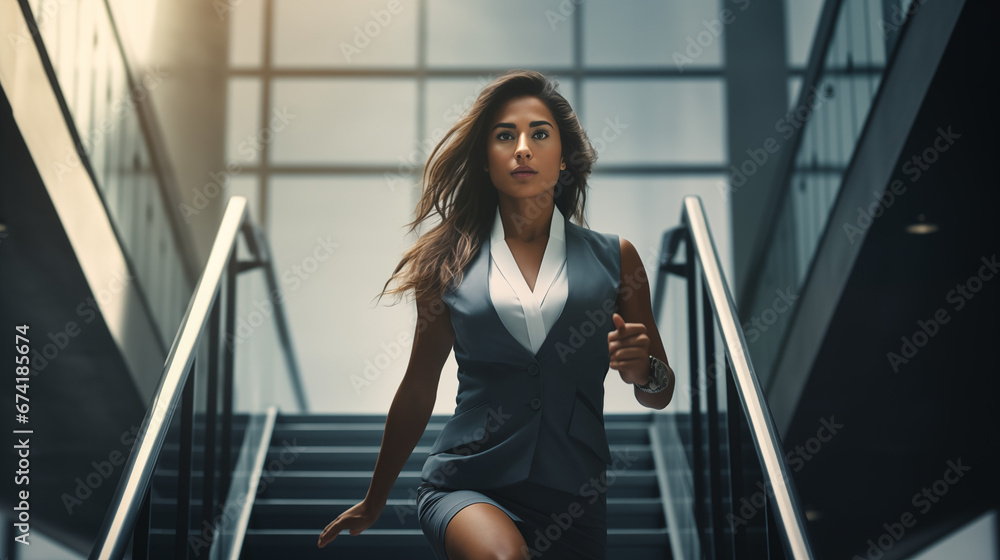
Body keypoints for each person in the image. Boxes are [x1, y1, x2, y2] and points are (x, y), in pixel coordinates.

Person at [317, 69, 675, 559]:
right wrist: (375, 498)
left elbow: (660, 393)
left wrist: (641, 371)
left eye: (539, 134)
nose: (522, 148)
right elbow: (419, 385)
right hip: (468, 481)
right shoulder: (447, 263)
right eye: (505, 136)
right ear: (486, 160)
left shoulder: (617, 258)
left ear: (564, 158)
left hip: (573, 495)